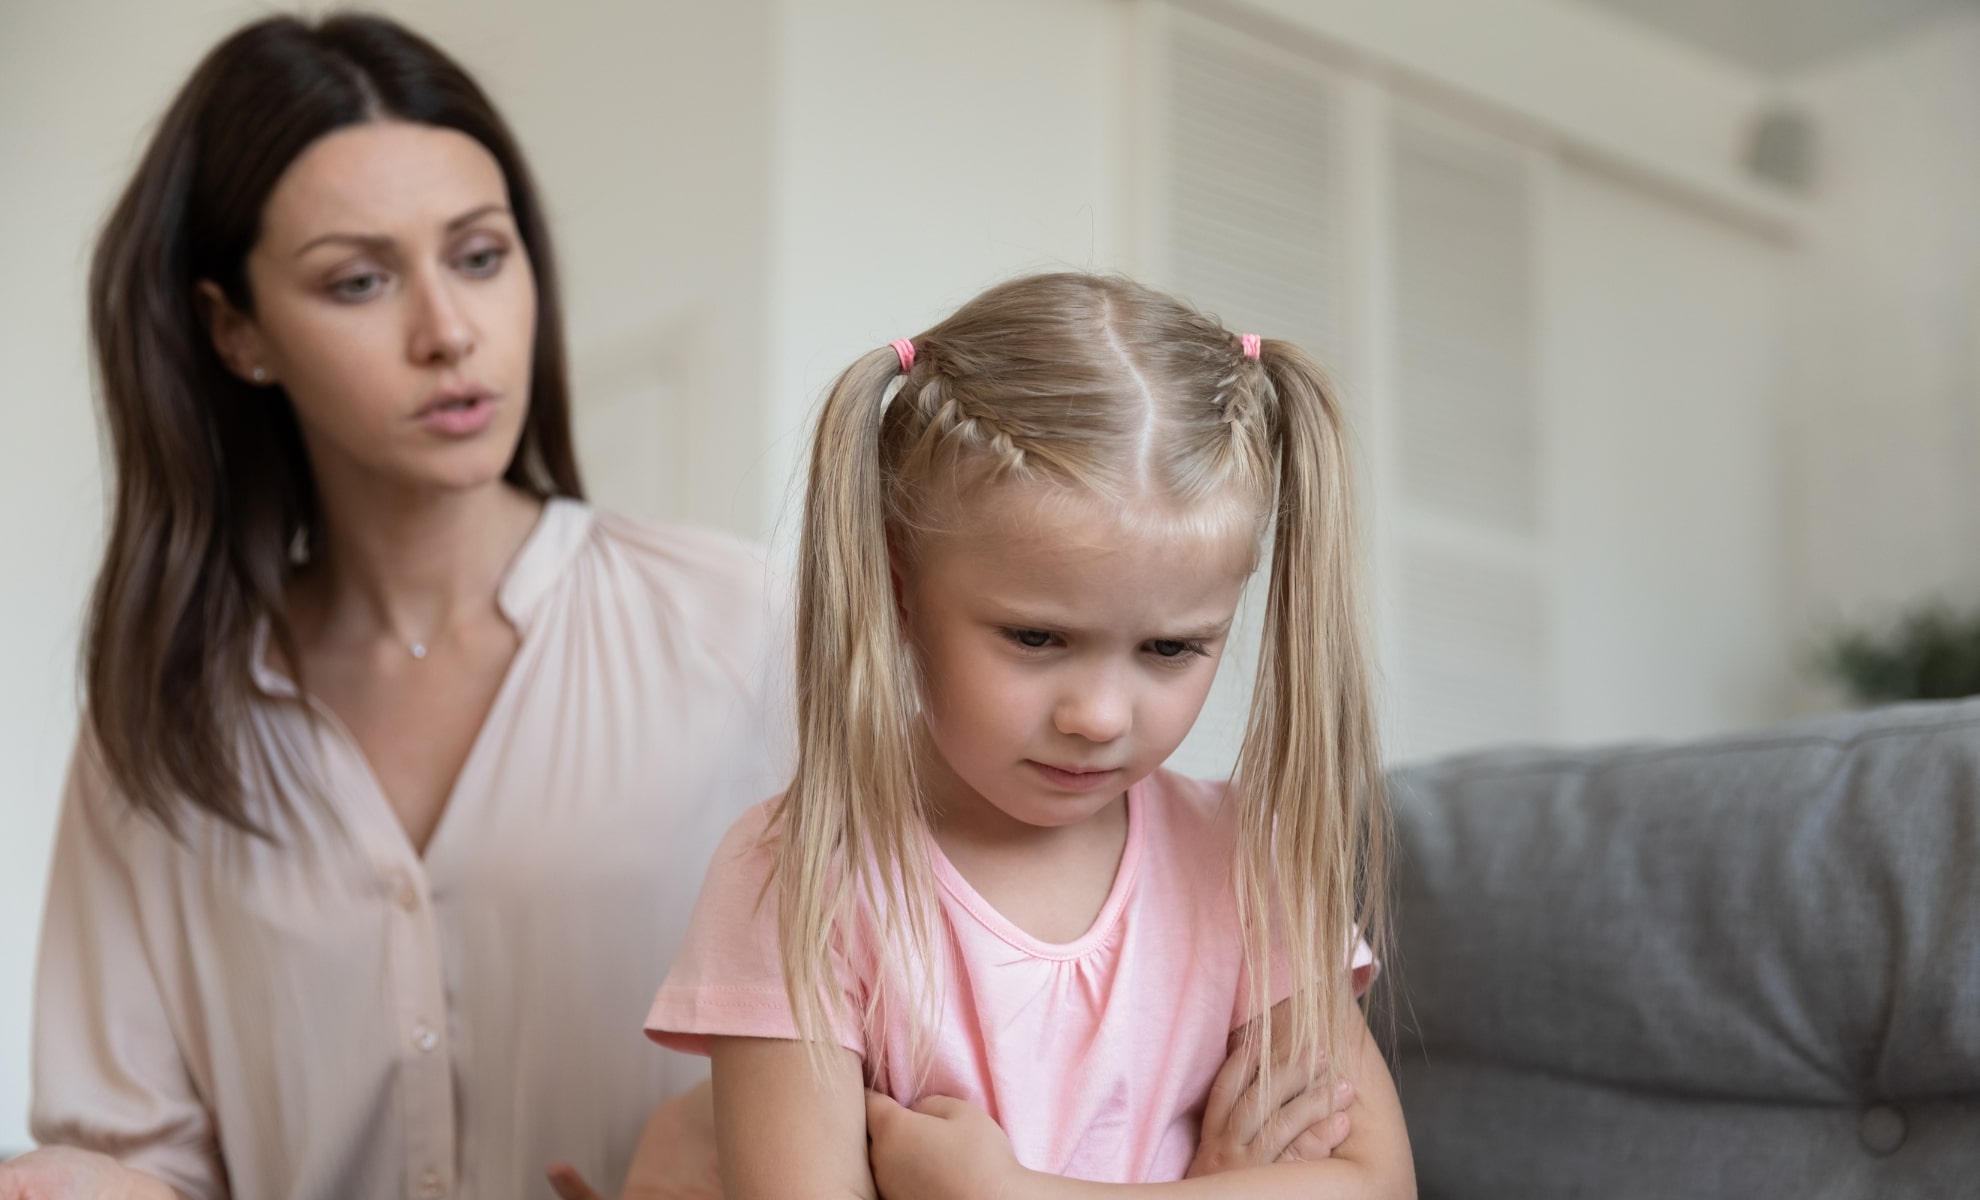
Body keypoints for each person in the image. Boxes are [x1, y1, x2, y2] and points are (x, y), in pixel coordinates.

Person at [0, 13, 779, 1200]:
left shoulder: (748, 626)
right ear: (236, 330)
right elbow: (123, 1157)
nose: (448, 332)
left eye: (478, 256)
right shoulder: (162, 722)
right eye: (358, 281)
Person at [647, 273, 1416, 1197]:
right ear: (900, 584)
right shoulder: (800, 873)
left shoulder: (1249, 863)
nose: (1098, 717)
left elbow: (1375, 1188)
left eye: (1171, 647)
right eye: (1036, 638)